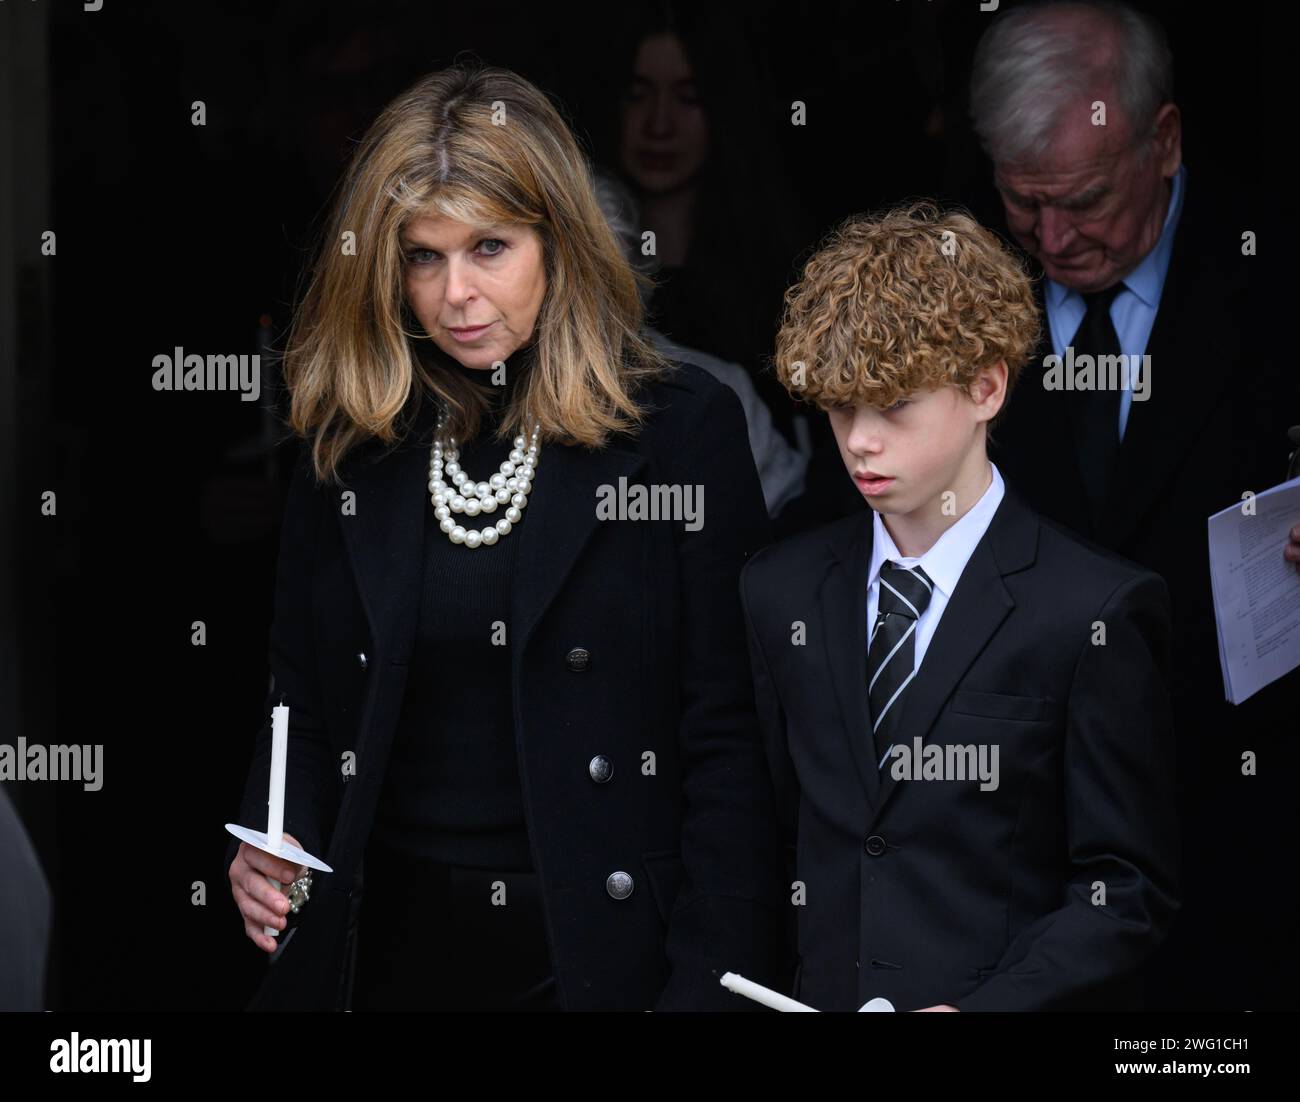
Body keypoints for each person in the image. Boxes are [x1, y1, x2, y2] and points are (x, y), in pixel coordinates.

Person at [225, 61, 788, 1011]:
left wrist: (711, 987)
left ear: (557, 243)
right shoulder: (356, 432)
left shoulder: (682, 425)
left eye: (491, 247)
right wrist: (269, 828)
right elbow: (305, 690)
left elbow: (731, 740)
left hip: (600, 950)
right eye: (422, 255)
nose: (456, 295)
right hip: (388, 941)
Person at [741, 203, 1179, 1011]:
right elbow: (758, 845)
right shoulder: (779, 591)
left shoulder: (1095, 609)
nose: (860, 441)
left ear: (985, 387)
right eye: (840, 407)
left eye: (895, 403)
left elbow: (1126, 888)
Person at [969, 0, 1300, 1008]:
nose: (1054, 239)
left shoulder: (1278, 271)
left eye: (1081, 200)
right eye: (1025, 204)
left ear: (1162, 141)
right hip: (1018, 856)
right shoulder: (957, 286)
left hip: (1252, 837)